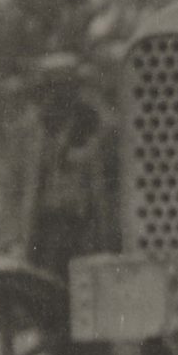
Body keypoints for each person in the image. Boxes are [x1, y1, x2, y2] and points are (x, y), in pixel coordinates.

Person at [16, 51, 112, 279]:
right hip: (51, 223)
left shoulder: (89, 124)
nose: (57, 96)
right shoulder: (42, 127)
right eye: (53, 88)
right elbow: (34, 187)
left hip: (80, 222)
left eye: (64, 87)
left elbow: (97, 185)